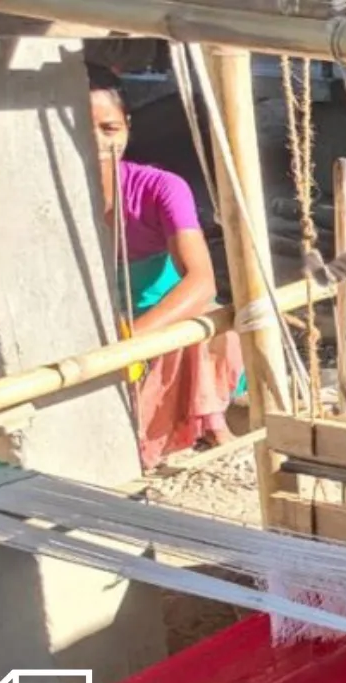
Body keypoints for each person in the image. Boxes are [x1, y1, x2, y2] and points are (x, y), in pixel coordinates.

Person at [88, 63, 245, 470]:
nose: (100, 142)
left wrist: (129, 340)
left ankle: (207, 423)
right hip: (98, 322)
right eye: (84, 130)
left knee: (197, 331)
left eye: (109, 128)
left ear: (127, 126)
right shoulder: (50, 198)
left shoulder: (160, 189)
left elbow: (201, 283)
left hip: (156, 320)